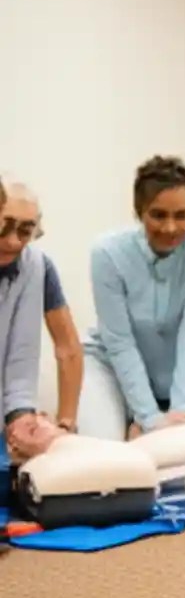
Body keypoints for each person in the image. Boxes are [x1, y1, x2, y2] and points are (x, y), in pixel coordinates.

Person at [79, 156, 185, 441]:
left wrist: (180, 416)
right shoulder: (107, 253)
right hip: (109, 361)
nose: (170, 228)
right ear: (139, 211)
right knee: (103, 458)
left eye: (181, 215)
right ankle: (130, 421)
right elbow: (119, 342)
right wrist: (150, 420)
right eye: (158, 215)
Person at [0, 180, 84, 434]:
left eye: (25, 231)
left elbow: (68, 348)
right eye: (5, 228)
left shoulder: (37, 267)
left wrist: (65, 424)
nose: (14, 241)